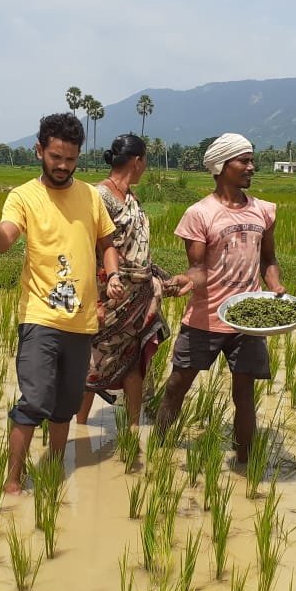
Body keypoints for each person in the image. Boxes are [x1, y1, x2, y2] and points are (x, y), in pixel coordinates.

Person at [0, 113, 124, 494]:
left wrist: (112, 276)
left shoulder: (91, 196)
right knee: (35, 400)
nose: (62, 166)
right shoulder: (24, 196)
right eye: (55, 157)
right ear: (39, 150)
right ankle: (12, 483)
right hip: (40, 317)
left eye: (70, 159)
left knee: (65, 405)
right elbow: (2, 241)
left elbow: (107, 245)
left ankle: (55, 474)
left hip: (81, 323)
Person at [153, 133, 285, 464]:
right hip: (206, 317)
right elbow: (198, 268)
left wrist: (276, 285)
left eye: (251, 159)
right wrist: (186, 280)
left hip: (246, 316)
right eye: (244, 160)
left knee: (244, 393)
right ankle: (158, 449)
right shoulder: (200, 213)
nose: (251, 166)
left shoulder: (264, 211)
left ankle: (247, 462)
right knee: (176, 386)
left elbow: (267, 260)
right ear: (221, 166)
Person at [75, 134, 191, 429]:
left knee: (133, 359)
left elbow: (139, 257)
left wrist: (164, 279)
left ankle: (132, 432)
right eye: (146, 161)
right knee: (93, 362)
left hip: (138, 300)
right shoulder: (99, 196)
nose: (146, 167)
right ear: (137, 162)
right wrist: (95, 301)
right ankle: (81, 425)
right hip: (109, 297)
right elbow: (87, 251)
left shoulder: (131, 198)